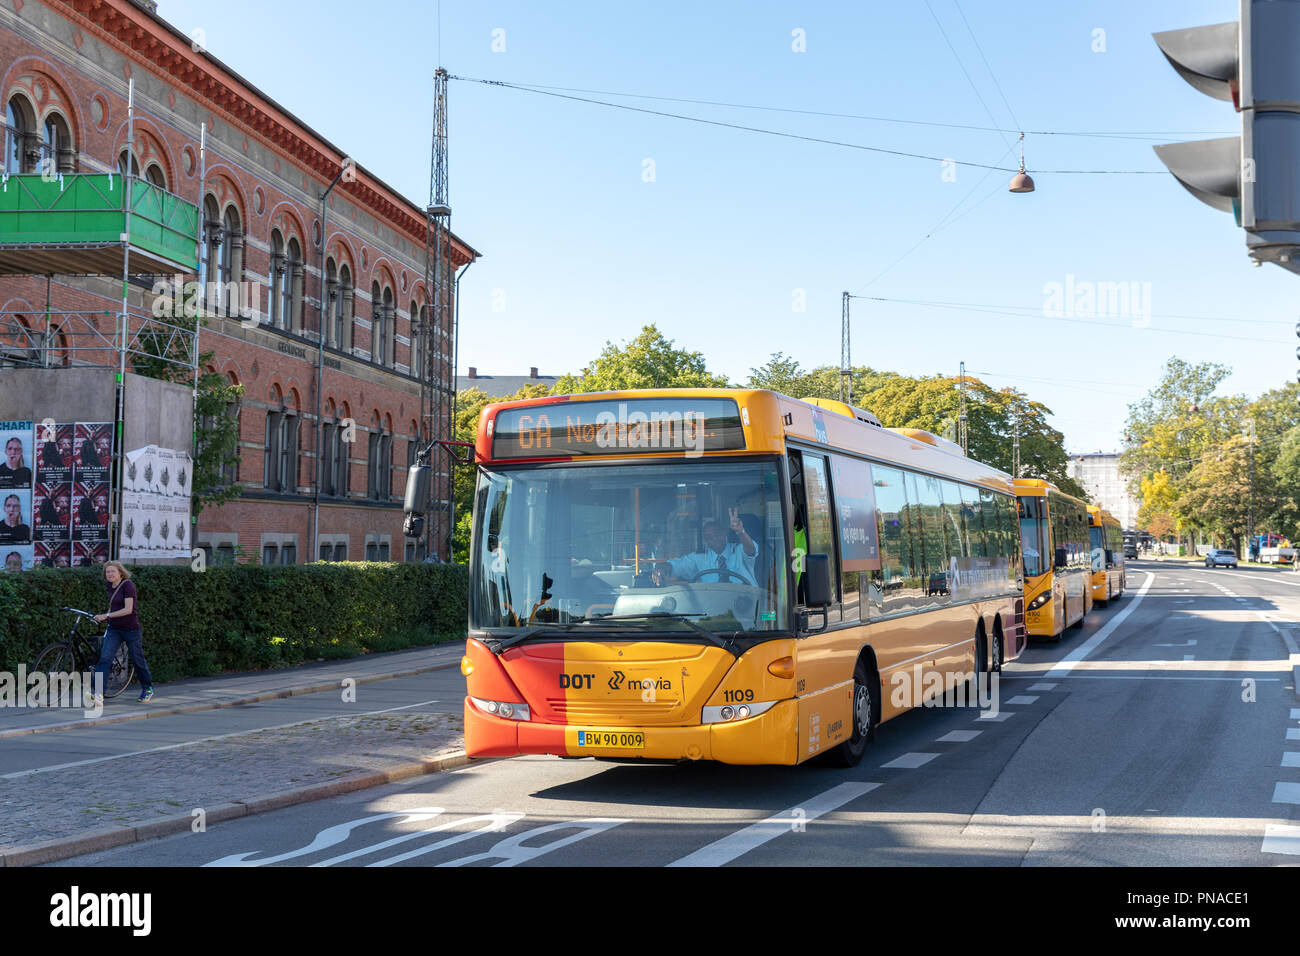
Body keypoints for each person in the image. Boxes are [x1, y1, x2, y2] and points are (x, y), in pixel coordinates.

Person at [91, 561, 154, 705]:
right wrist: (103, 616)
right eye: (107, 572)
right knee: (105, 659)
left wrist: (106, 616)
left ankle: (147, 688)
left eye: (113, 571)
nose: (110, 574)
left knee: (138, 661)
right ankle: (98, 693)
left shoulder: (128, 585)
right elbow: (113, 607)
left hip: (131, 629)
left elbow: (128, 609)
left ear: (120, 573)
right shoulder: (109, 586)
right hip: (114, 629)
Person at [652, 508, 756, 586]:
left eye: (717, 533)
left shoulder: (739, 549)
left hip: (746, 606)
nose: (714, 538)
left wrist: (740, 532)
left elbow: (750, 549)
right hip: (713, 610)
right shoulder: (699, 558)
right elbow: (676, 566)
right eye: (709, 537)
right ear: (706, 541)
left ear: (724, 533)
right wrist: (660, 569)